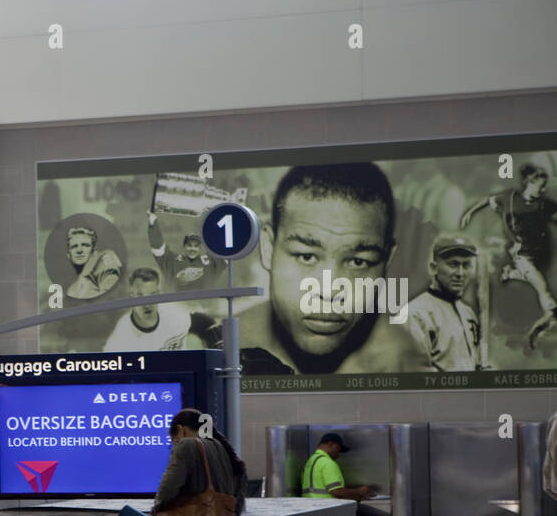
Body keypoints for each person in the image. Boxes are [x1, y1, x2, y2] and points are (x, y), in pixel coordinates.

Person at [238, 162, 423, 375]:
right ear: (268, 248)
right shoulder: (218, 346)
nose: (329, 291)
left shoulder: (411, 364)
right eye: (306, 256)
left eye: (358, 262)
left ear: (387, 261)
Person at [459, 160, 557, 347]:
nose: (542, 191)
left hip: (541, 256)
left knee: (536, 280)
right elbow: (487, 201)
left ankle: (510, 274)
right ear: (529, 183)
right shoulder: (510, 198)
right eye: (539, 187)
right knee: (541, 288)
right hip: (521, 255)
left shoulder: (545, 205)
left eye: (544, 187)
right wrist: (469, 213)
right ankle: (550, 313)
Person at [403, 234, 488, 371]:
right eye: (453, 264)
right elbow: (416, 375)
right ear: (433, 268)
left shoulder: (468, 313)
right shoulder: (415, 314)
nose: (460, 273)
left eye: (466, 265)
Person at [102, 268, 192, 351]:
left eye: (152, 295)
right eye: (140, 295)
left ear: (159, 294)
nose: (147, 304)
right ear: (131, 296)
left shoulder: (178, 314)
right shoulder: (120, 339)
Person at [147, 213, 220, 290]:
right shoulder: (173, 261)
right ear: (184, 246)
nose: (192, 249)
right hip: (178, 300)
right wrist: (153, 224)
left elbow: (227, 253)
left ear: (200, 248)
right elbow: (158, 248)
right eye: (189, 245)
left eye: (196, 246)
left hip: (204, 300)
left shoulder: (209, 262)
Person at [65, 225, 123, 300]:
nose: (79, 250)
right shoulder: (72, 290)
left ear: (94, 251)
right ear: (69, 255)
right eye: (74, 246)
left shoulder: (106, 261)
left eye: (85, 245)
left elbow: (109, 298)